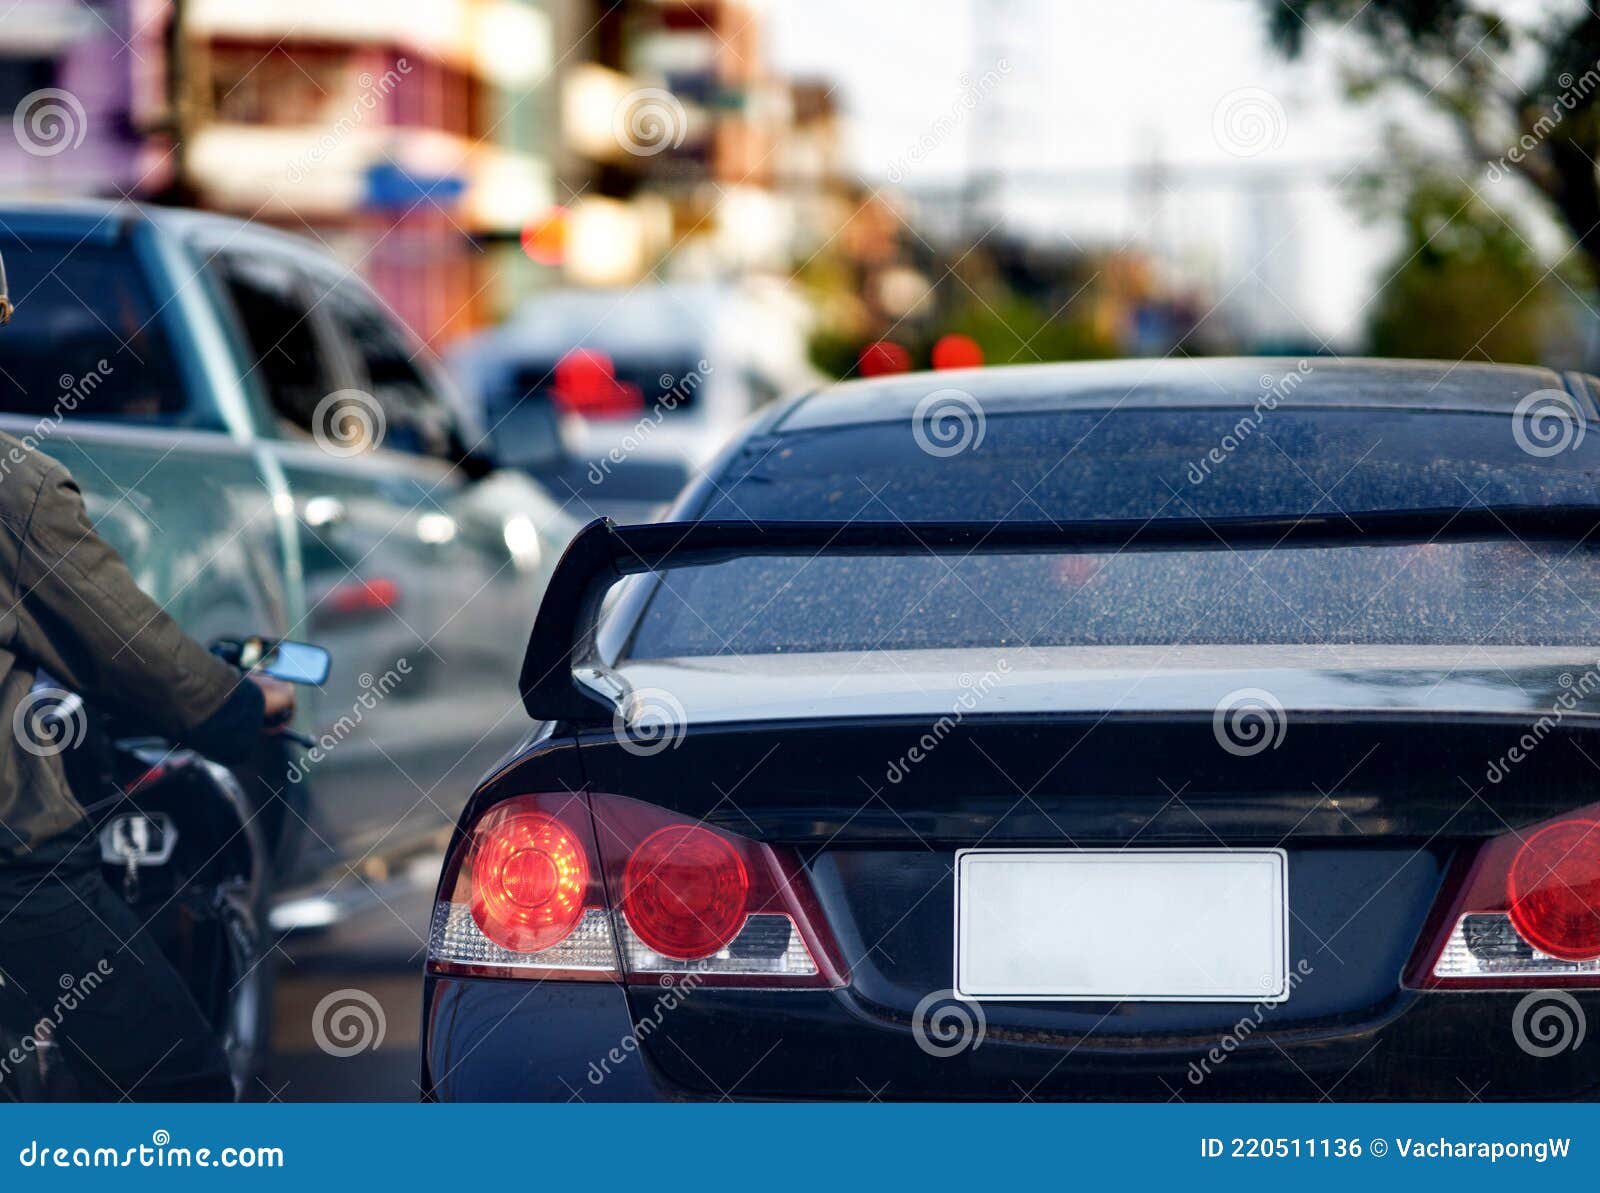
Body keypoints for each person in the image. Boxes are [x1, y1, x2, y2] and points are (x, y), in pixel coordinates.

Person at [0, 429, 295, 1101]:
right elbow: (130, 650)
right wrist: (240, 706)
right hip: (14, 858)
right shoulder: (17, 484)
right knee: (178, 1083)